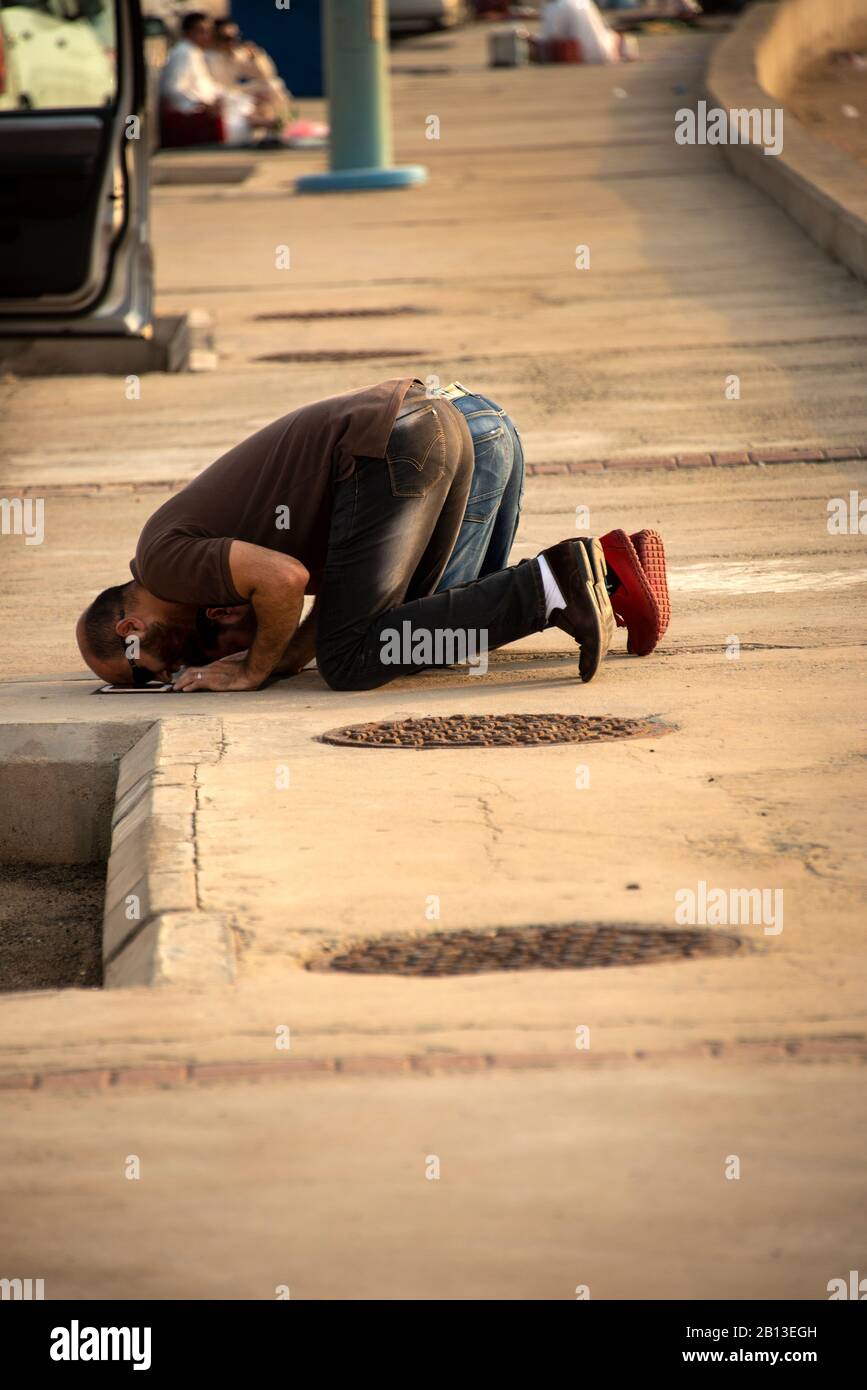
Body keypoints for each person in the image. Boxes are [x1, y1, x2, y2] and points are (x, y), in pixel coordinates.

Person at [75, 379, 669, 693]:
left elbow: (286, 582)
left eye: (145, 672)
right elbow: (326, 587)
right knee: (423, 633)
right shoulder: (189, 569)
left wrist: (255, 669)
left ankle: (554, 582)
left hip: (398, 445)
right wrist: (281, 655)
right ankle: (610, 576)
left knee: (353, 663)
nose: (167, 677)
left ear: (131, 628)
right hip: (441, 428)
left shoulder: (160, 564)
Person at [206, 18, 292, 131]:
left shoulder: (234, 54)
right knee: (247, 103)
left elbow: (267, 75)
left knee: (273, 85)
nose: (232, 42)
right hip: (217, 97)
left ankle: (284, 124)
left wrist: (256, 57)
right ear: (215, 37)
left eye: (236, 37)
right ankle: (266, 124)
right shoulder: (207, 56)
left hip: (233, 92)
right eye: (227, 39)